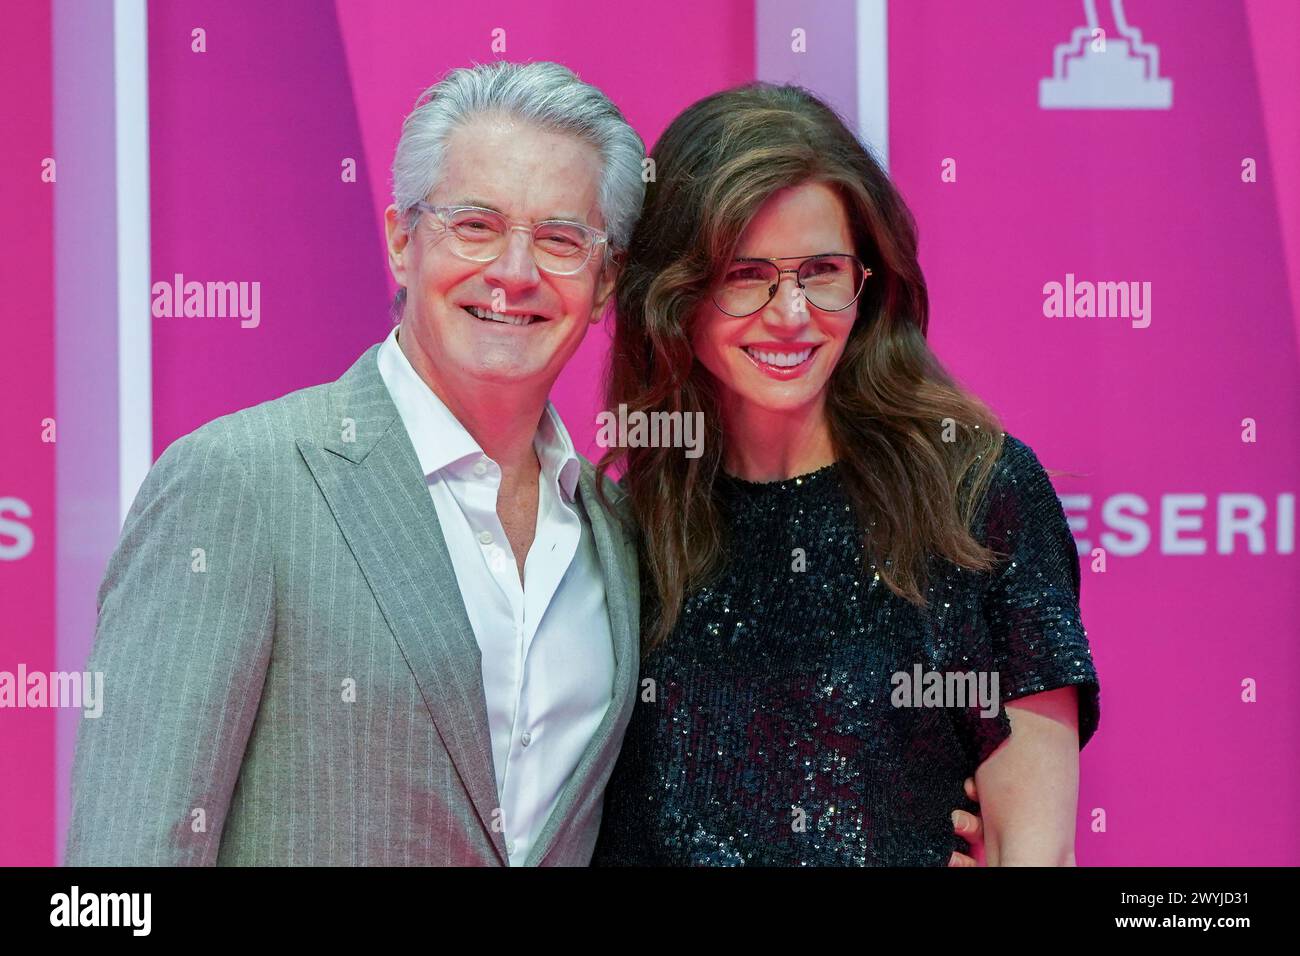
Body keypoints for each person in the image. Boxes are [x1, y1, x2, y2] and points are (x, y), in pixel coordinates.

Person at [64, 61, 646, 866]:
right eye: (474, 225)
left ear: (605, 278)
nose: (515, 273)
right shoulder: (240, 485)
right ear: (402, 241)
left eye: (559, 240)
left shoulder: (616, 539)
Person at [592, 83, 1101, 866]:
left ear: (867, 281)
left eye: (822, 269)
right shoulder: (625, 531)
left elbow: (1038, 855)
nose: (791, 313)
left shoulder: (976, 497)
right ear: (675, 294)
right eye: (745, 273)